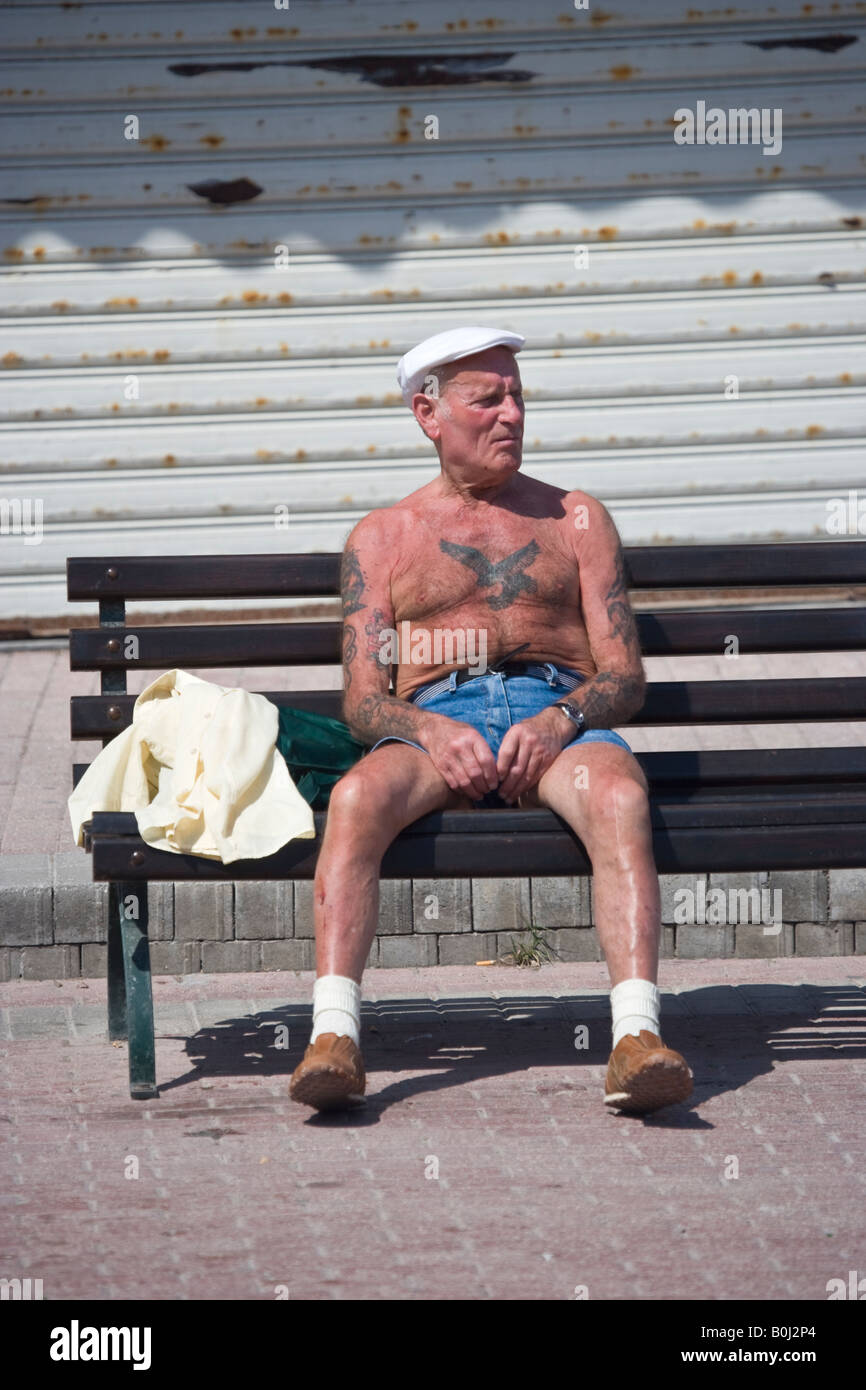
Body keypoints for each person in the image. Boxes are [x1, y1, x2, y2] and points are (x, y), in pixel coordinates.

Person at [289, 325, 693, 1116]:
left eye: (517, 396)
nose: (511, 413)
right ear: (428, 415)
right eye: (487, 399)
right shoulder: (383, 538)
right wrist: (435, 732)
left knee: (620, 798)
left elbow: (624, 676)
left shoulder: (575, 519)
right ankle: (333, 1038)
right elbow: (365, 702)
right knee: (355, 800)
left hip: (560, 717)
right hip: (438, 720)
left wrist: (561, 721)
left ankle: (636, 1039)